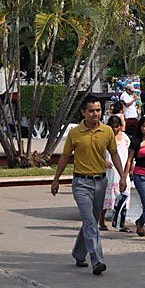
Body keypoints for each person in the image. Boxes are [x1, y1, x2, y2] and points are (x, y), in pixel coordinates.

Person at [51, 97, 126, 276]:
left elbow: (114, 154)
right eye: (92, 111)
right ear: (84, 112)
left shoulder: (107, 131)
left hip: (101, 182)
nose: (95, 114)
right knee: (90, 221)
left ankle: (78, 253)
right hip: (81, 183)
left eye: (98, 110)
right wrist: (56, 179)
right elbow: (64, 157)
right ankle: (97, 259)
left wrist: (123, 176)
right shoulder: (75, 133)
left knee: (90, 220)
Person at [100, 115, 131, 232]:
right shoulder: (104, 137)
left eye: (116, 127)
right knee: (107, 199)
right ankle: (101, 221)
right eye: (112, 127)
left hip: (122, 172)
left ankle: (120, 223)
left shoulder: (125, 138)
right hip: (109, 172)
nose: (114, 129)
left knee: (123, 197)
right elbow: (97, 152)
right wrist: (103, 161)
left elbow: (129, 155)